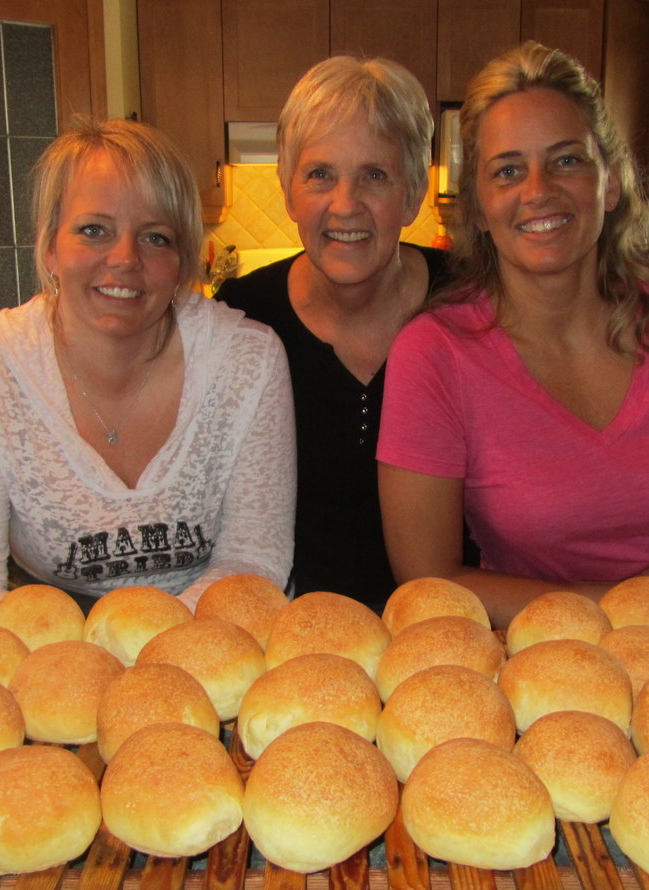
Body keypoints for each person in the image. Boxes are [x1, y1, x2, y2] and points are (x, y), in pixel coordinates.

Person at [377, 42, 649, 629]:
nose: (538, 190)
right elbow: (429, 581)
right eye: (507, 170)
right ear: (479, 207)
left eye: (566, 160)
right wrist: (627, 607)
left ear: (609, 184)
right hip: (534, 654)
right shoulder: (435, 353)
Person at [0, 117, 296, 638]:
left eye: (155, 237)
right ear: (51, 247)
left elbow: (254, 559)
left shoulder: (247, 361)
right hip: (47, 655)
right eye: (93, 230)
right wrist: (81, 651)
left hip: (215, 641)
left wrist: (142, 641)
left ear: (184, 260)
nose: (124, 259)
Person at [218, 55, 455, 614]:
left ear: (414, 192)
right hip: (294, 642)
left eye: (375, 175)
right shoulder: (240, 321)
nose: (345, 205)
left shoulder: (470, 303)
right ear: (288, 189)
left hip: (453, 629)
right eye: (320, 174)